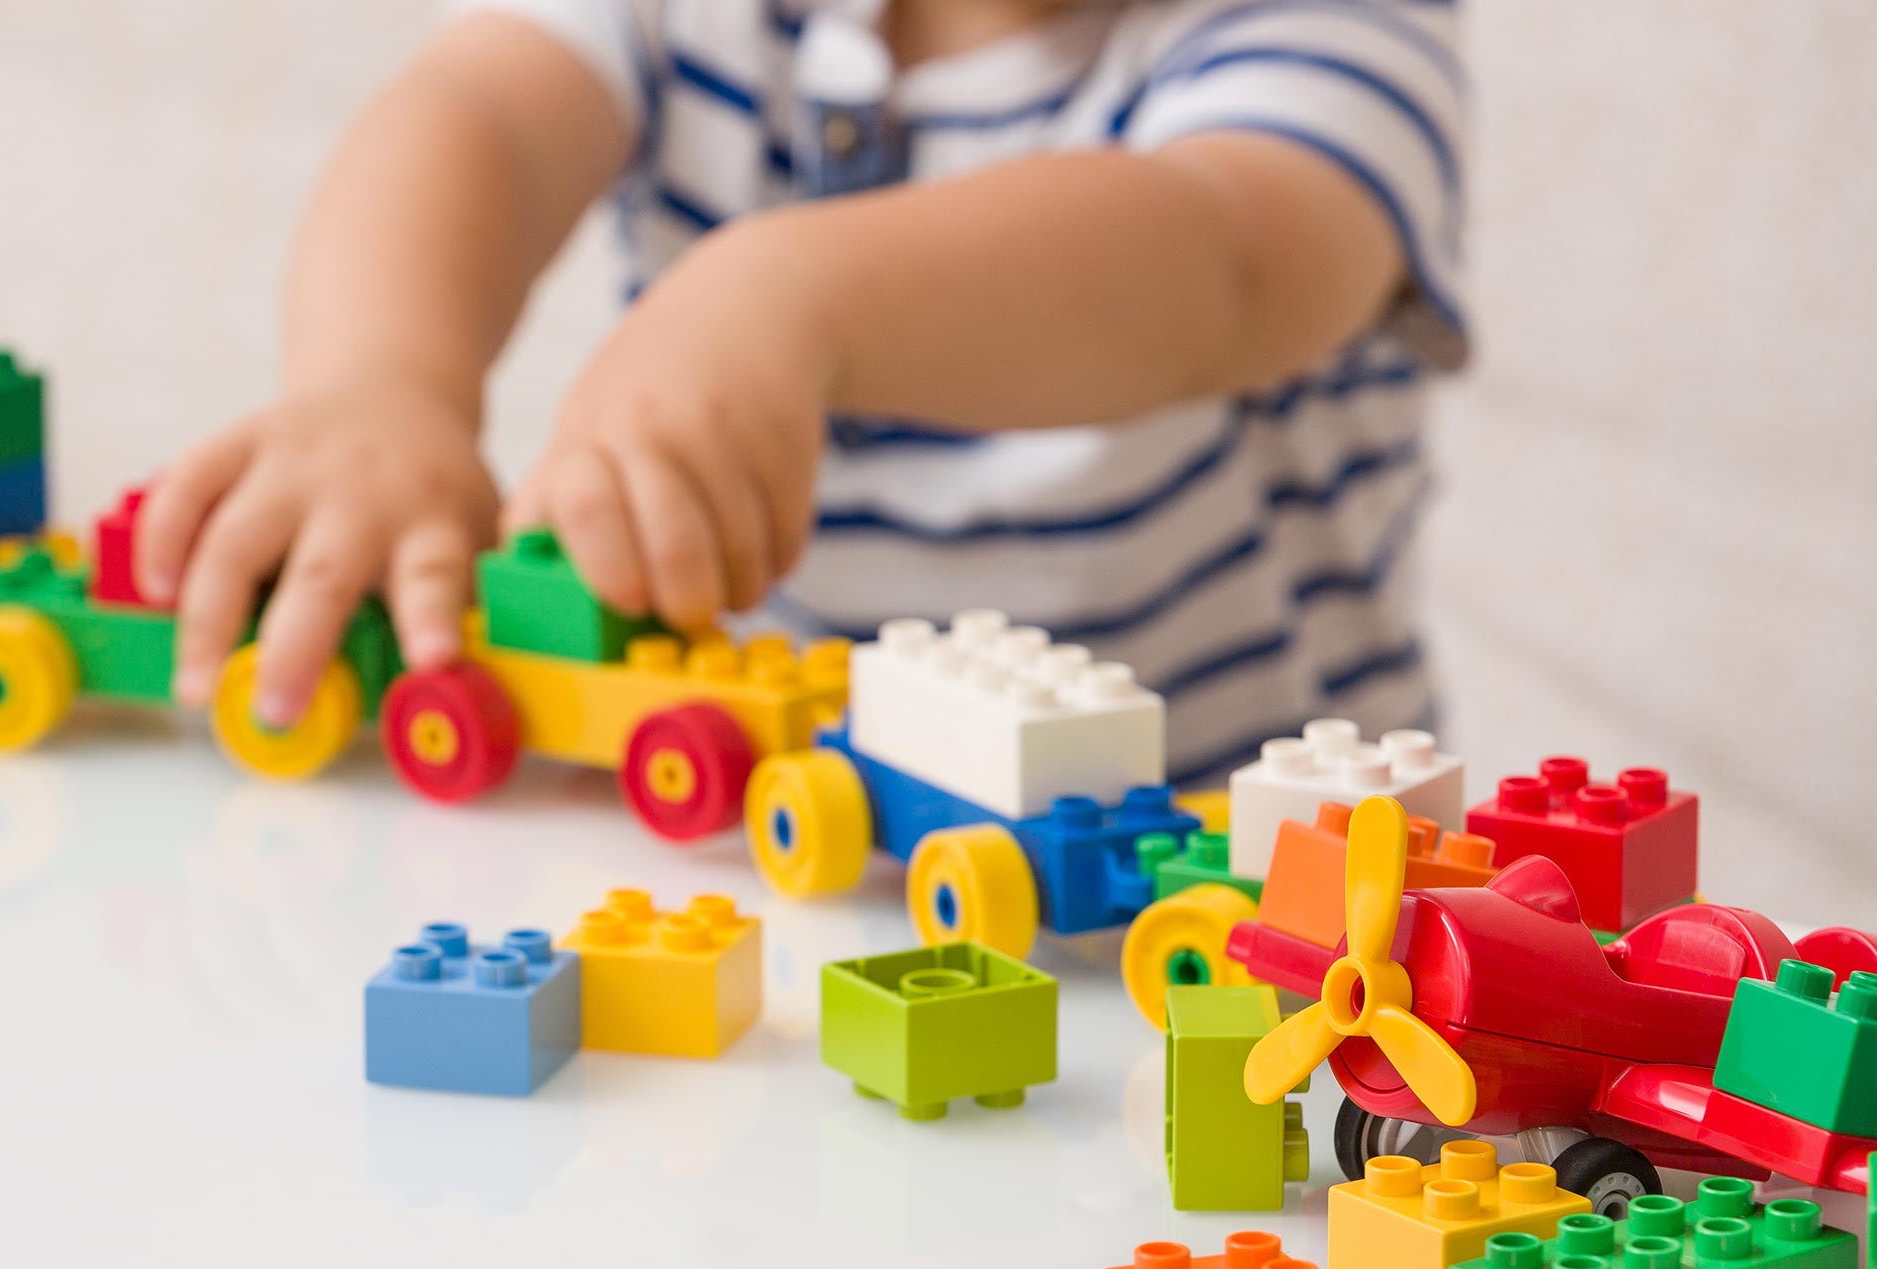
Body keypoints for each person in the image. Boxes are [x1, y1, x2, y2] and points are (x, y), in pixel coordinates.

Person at [135, 0, 1465, 785]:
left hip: (1248, 892)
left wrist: (789, 297)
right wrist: (385, 377)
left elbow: (1217, 260)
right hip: (788, 821)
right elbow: (473, 111)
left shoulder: (1322, 33)